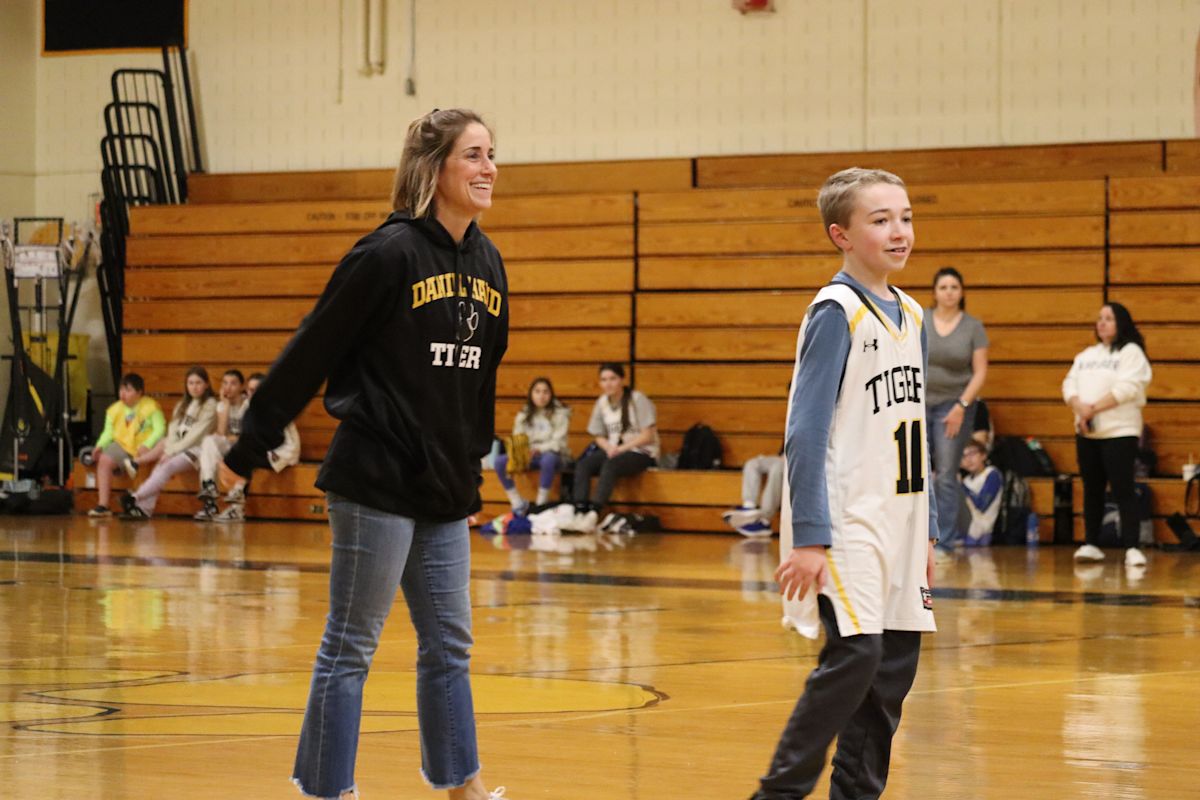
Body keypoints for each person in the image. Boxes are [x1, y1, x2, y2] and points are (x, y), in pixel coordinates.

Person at [219, 108, 510, 800]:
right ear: (435, 169)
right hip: (375, 477)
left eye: (492, 154)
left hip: (441, 489)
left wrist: (469, 474)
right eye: (473, 155)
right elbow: (312, 348)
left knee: (449, 646)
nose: (489, 167)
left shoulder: (490, 261)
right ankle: (327, 789)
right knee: (351, 646)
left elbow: (481, 380)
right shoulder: (385, 255)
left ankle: (459, 783)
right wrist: (250, 440)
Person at [755, 167, 938, 800]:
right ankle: (776, 793)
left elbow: (914, 429)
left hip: (903, 523)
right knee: (855, 657)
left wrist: (930, 530)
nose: (899, 231)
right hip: (847, 521)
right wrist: (809, 535)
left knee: (891, 677)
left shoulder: (912, 314)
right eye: (881, 219)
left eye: (906, 217)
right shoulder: (835, 312)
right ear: (841, 234)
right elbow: (803, 432)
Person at [1062, 302, 1153, 567]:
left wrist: (1091, 410)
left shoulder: (1131, 353)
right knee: (1092, 489)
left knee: (1123, 488)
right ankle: (1091, 542)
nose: (1102, 323)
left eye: (1109, 318)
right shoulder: (1087, 355)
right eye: (1099, 318)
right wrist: (1080, 407)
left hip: (1120, 431)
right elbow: (1069, 384)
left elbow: (1127, 388)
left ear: (1121, 322)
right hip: (1087, 433)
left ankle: (1132, 546)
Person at [925, 266, 989, 561]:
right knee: (917, 472)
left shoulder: (973, 327)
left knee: (946, 473)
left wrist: (961, 407)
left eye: (954, 287)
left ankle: (944, 542)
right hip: (917, 403)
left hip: (953, 406)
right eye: (943, 287)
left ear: (961, 292)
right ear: (935, 292)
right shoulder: (920, 319)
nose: (948, 292)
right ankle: (914, 540)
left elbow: (980, 372)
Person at [197, 372, 300, 522]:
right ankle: (209, 487)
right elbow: (225, 434)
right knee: (212, 442)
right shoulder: (249, 405)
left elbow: (276, 442)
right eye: (250, 390)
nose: (253, 393)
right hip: (262, 449)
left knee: (243, 454)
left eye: (257, 390)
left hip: (284, 452)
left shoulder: (273, 409)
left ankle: (236, 508)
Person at [119, 367, 218, 519]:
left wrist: (171, 452)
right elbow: (172, 431)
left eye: (198, 382)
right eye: (191, 383)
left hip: (199, 450)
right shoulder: (182, 405)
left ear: (206, 384)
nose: (194, 387)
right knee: (161, 466)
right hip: (179, 449)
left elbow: (197, 435)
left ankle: (135, 498)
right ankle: (144, 509)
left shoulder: (210, 404)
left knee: (167, 465)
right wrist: (169, 450)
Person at [571, 363, 658, 527]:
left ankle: (594, 513)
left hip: (641, 452)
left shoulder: (637, 399)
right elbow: (598, 435)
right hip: (614, 449)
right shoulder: (602, 402)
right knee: (584, 464)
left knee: (611, 465)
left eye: (613, 379)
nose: (608, 383)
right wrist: (609, 447)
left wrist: (621, 449)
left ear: (622, 380)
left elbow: (648, 435)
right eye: (604, 380)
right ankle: (580, 509)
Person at [85, 373, 165, 518]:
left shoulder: (151, 407)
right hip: (122, 446)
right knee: (104, 460)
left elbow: (160, 429)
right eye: (121, 389)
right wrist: (100, 446)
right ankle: (103, 505)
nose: (123, 394)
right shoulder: (114, 410)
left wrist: (147, 444)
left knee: (145, 461)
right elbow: (108, 432)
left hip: (144, 447)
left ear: (139, 392)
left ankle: (138, 505)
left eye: (128, 390)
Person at [494, 377, 570, 514]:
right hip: (528, 456)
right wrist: (523, 452)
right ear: (531, 394)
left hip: (553, 456)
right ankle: (517, 502)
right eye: (538, 391)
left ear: (551, 394)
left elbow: (558, 442)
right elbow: (517, 439)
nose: (541, 396)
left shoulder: (560, 413)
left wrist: (538, 449)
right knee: (500, 461)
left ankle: (541, 504)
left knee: (549, 459)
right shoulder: (523, 415)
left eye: (545, 392)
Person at [722, 446, 783, 537]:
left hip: (799, 461)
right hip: (782, 457)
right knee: (752, 463)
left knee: (778, 467)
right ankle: (749, 507)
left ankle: (764, 519)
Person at [959, 439, 1002, 546]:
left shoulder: (992, 474)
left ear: (983, 455)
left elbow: (981, 504)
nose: (968, 459)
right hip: (967, 525)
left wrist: (960, 488)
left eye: (972, 453)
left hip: (982, 527)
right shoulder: (966, 480)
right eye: (963, 456)